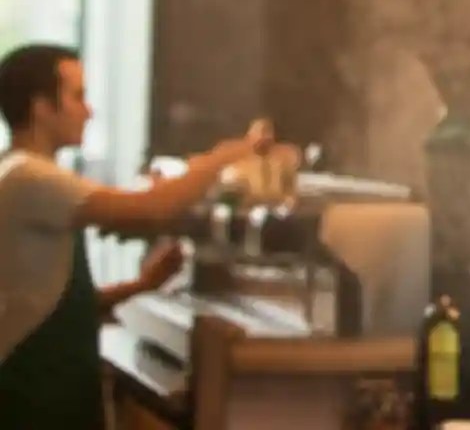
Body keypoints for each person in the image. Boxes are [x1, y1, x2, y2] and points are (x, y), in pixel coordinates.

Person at [0, 43, 273, 429]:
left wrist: (142, 285)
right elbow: (149, 211)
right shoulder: (30, 178)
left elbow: (57, 306)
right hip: (34, 403)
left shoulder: (21, 173)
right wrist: (227, 156)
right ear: (41, 107)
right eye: (78, 97)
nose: (89, 111)